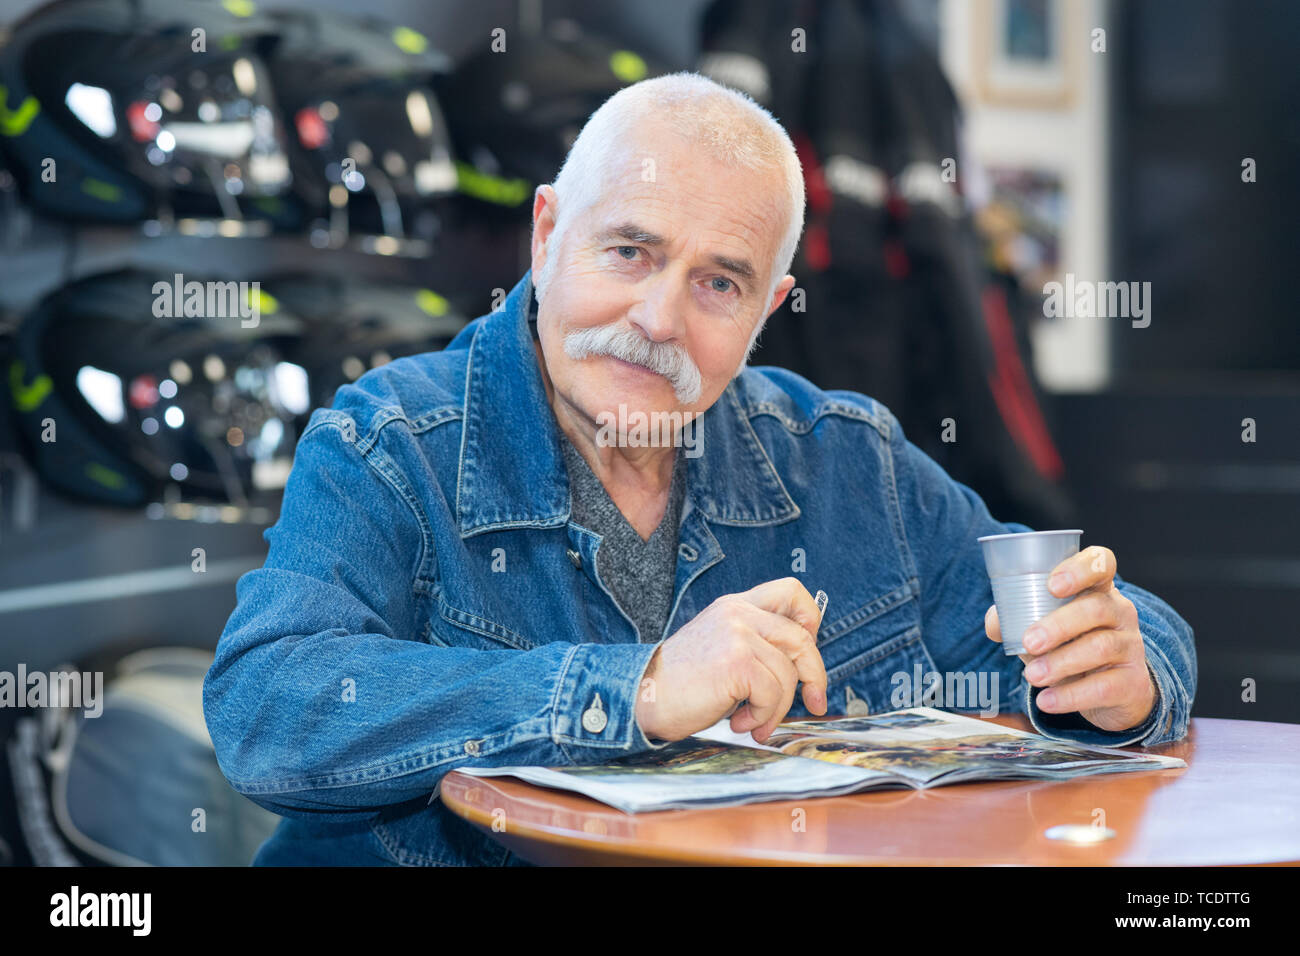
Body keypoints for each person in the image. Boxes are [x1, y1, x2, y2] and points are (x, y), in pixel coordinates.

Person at [202, 72, 1196, 867]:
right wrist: (629, 688)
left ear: (771, 305)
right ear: (547, 234)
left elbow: (1111, 621)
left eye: (718, 282)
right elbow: (267, 704)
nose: (658, 320)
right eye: (629, 251)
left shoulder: (846, 459)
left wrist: (1117, 671)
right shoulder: (390, 441)